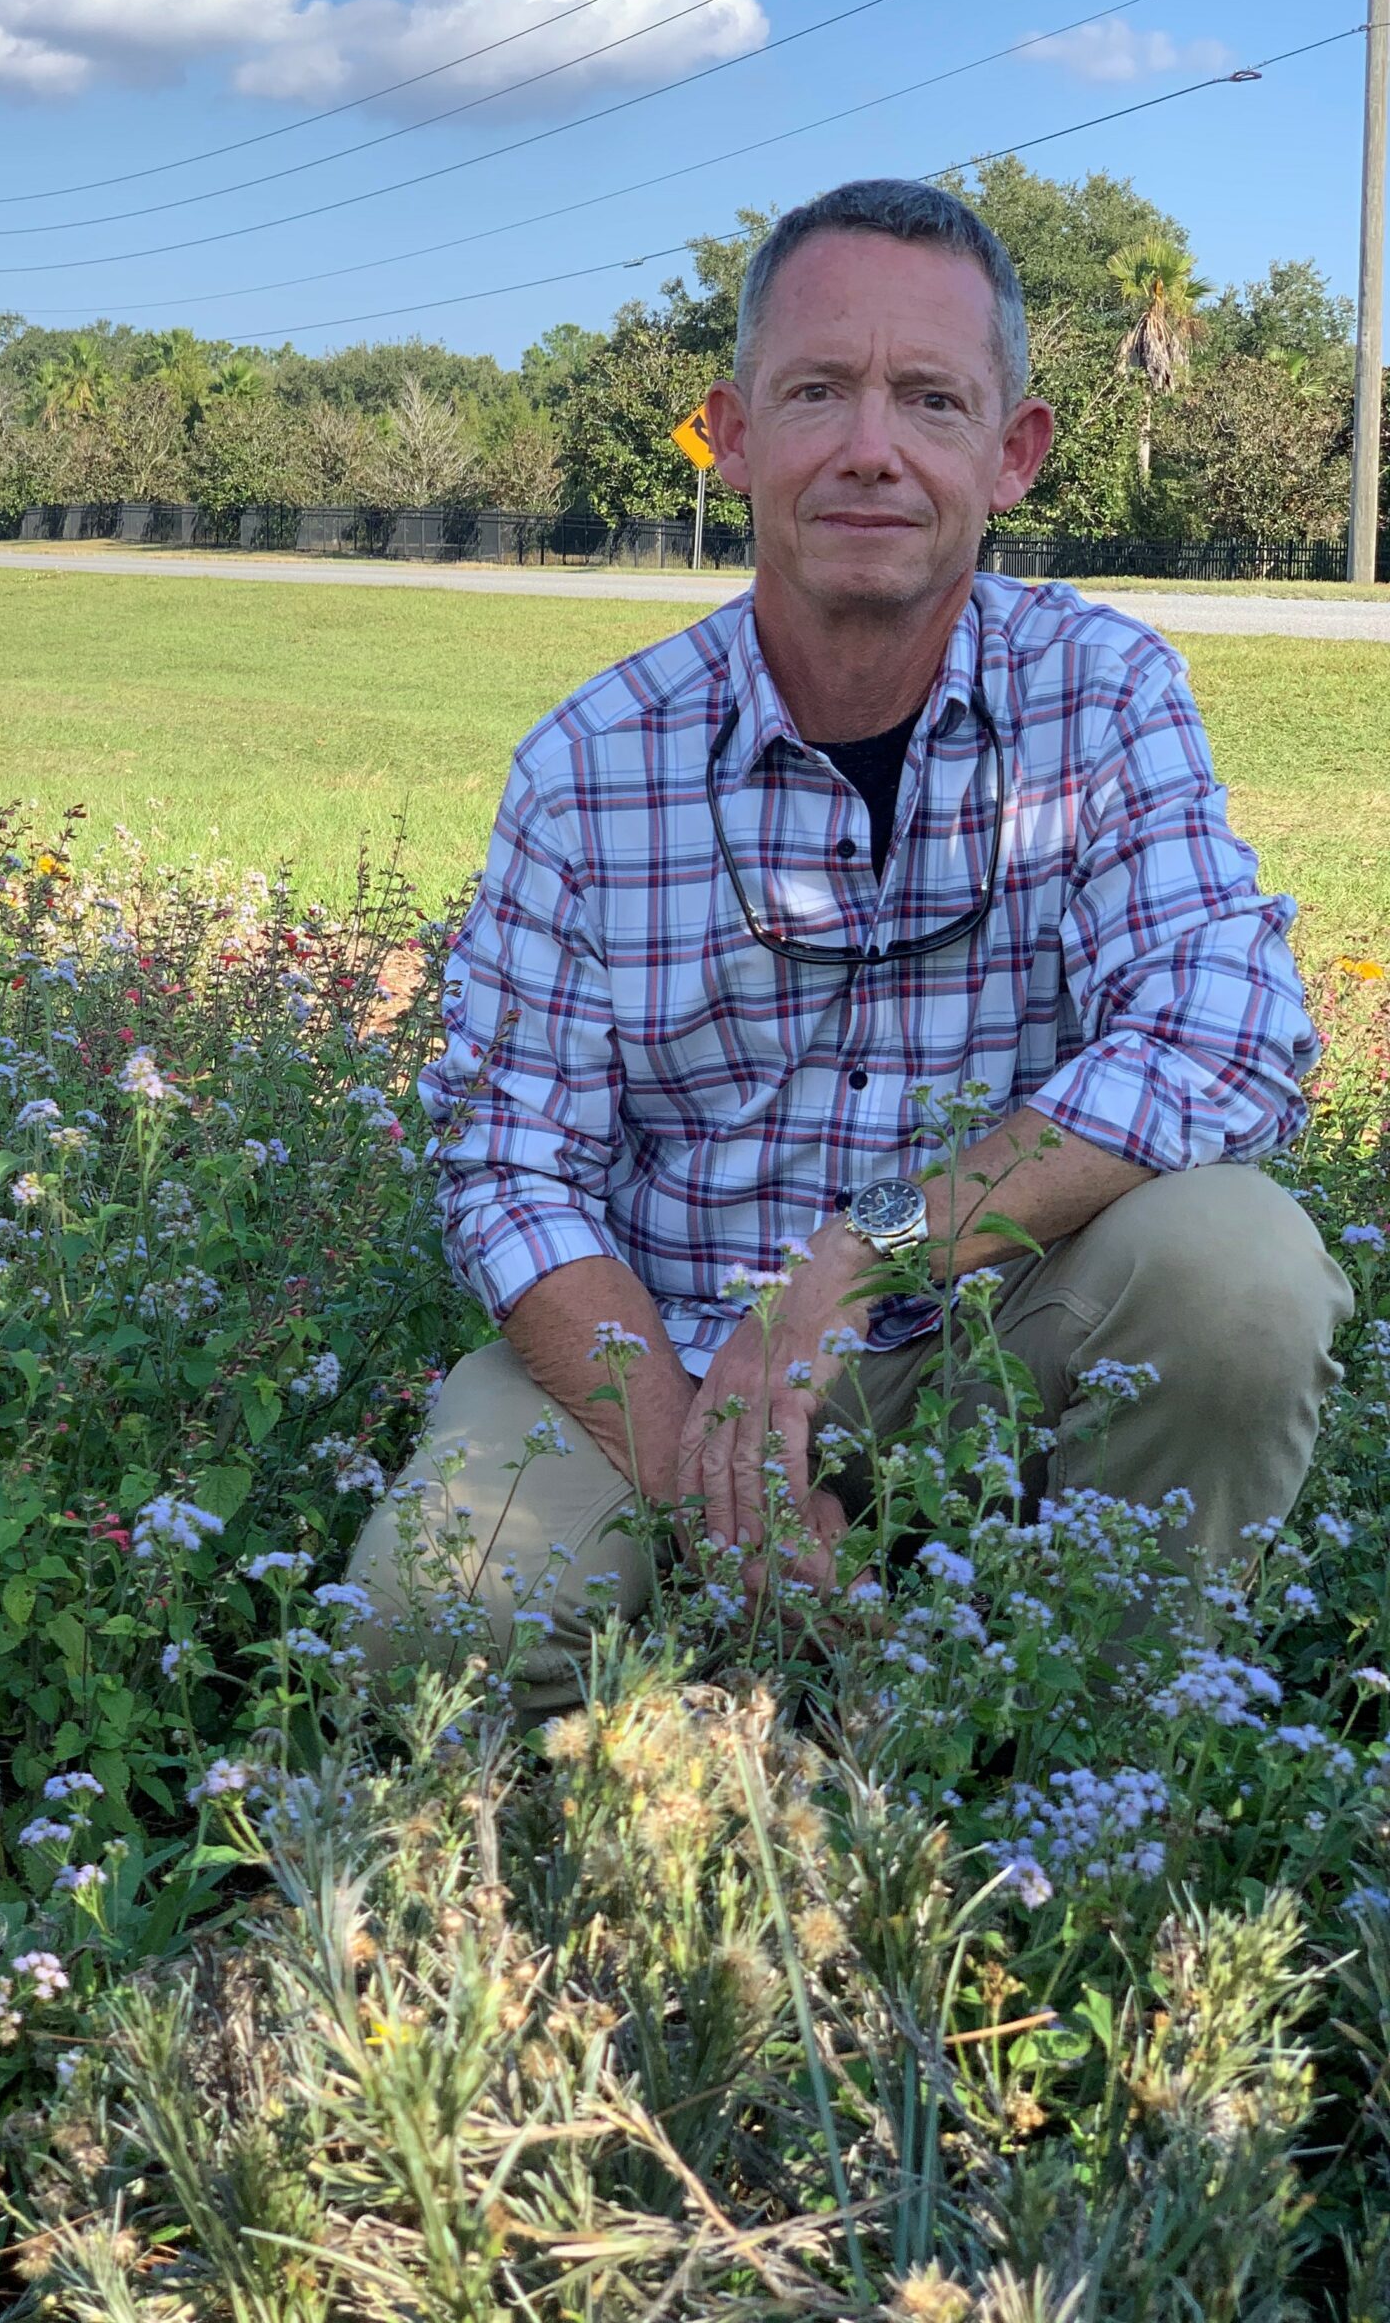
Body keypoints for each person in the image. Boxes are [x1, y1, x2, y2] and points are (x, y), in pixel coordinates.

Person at [346, 176, 1353, 1711]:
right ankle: (615, 1870)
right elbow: (511, 1162)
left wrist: (854, 1258)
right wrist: (712, 1477)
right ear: (733, 433)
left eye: (930, 398)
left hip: (991, 1329)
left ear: (1012, 454)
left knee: (1241, 1271)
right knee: (441, 1617)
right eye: (817, 391)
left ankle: (1087, 1788)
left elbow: (1228, 1029)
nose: (870, 448)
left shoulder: (1104, 695)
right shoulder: (594, 762)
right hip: (663, 1340)